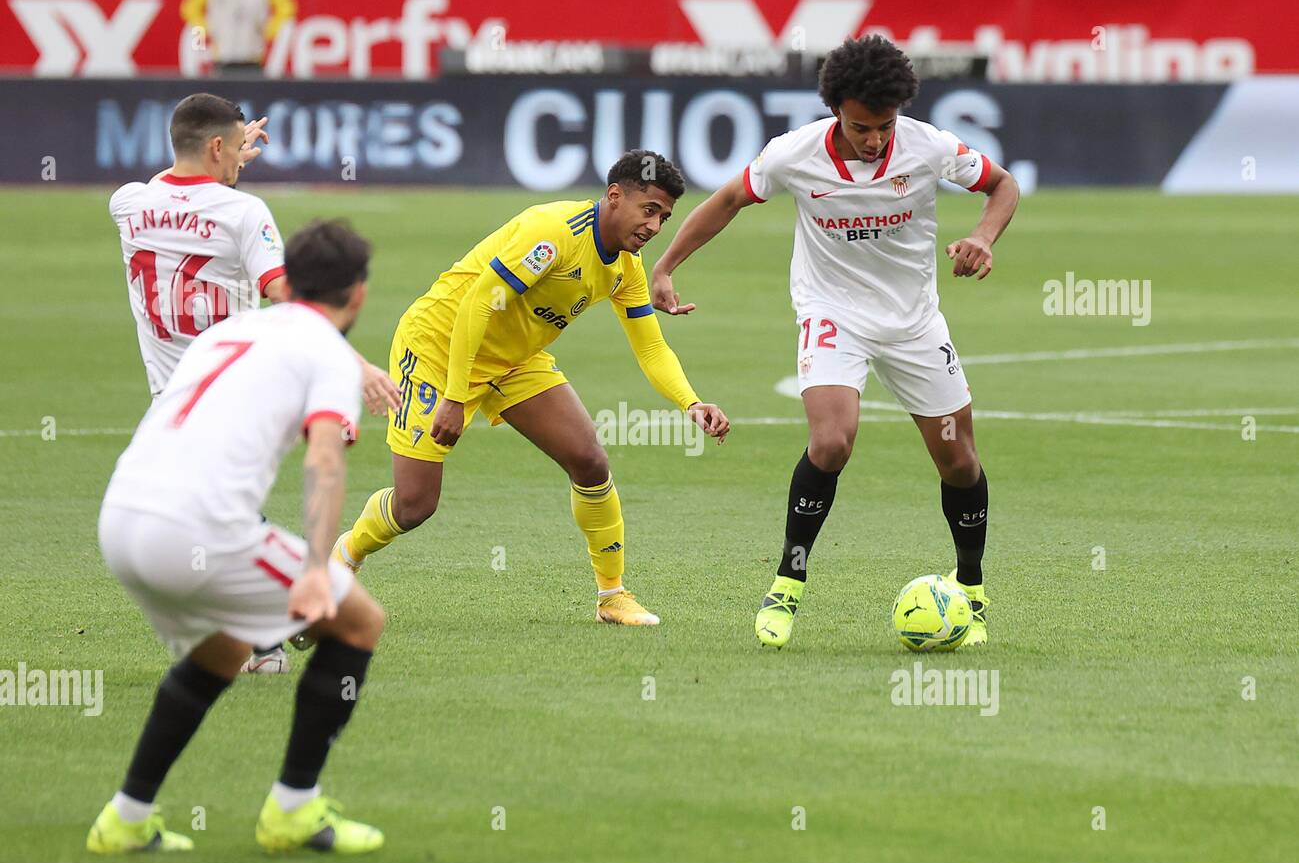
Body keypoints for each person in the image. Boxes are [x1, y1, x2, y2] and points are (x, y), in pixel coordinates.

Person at [650, 36, 1021, 648]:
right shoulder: (793, 154)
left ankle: (972, 594)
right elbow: (727, 200)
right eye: (859, 126)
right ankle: (787, 584)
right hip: (832, 315)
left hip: (914, 323)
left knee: (957, 458)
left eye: (883, 125)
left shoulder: (928, 146)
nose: (874, 139)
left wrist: (983, 236)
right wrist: (665, 267)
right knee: (830, 440)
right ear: (834, 111)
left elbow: (1002, 186)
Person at [88, 220, 387, 855]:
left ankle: (127, 816)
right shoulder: (329, 352)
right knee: (358, 621)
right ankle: (294, 811)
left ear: (292, 279)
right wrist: (314, 568)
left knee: (222, 651)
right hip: (196, 528)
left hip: (120, 517)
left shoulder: (231, 329)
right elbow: (325, 462)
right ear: (357, 294)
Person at [334, 151, 729, 626]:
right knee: (416, 504)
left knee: (589, 459)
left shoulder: (627, 266)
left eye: (664, 217)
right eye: (649, 210)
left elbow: (650, 348)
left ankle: (612, 596)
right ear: (615, 196)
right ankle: (344, 557)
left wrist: (691, 402)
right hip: (441, 347)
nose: (655, 226)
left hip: (514, 360)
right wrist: (456, 397)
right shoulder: (554, 234)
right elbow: (477, 306)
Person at [109, 92, 399, 672]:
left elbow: (182, 199)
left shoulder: (127, 203)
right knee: (229, 513)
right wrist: (354, 363)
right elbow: (287, 294)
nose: (245, 157)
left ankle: (252, 628)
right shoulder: (245, 213)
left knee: (216, 511)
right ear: (218, 146)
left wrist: (224, 165)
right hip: (236, 388)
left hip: (171, 399)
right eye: (237, 148)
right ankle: (279, 623)